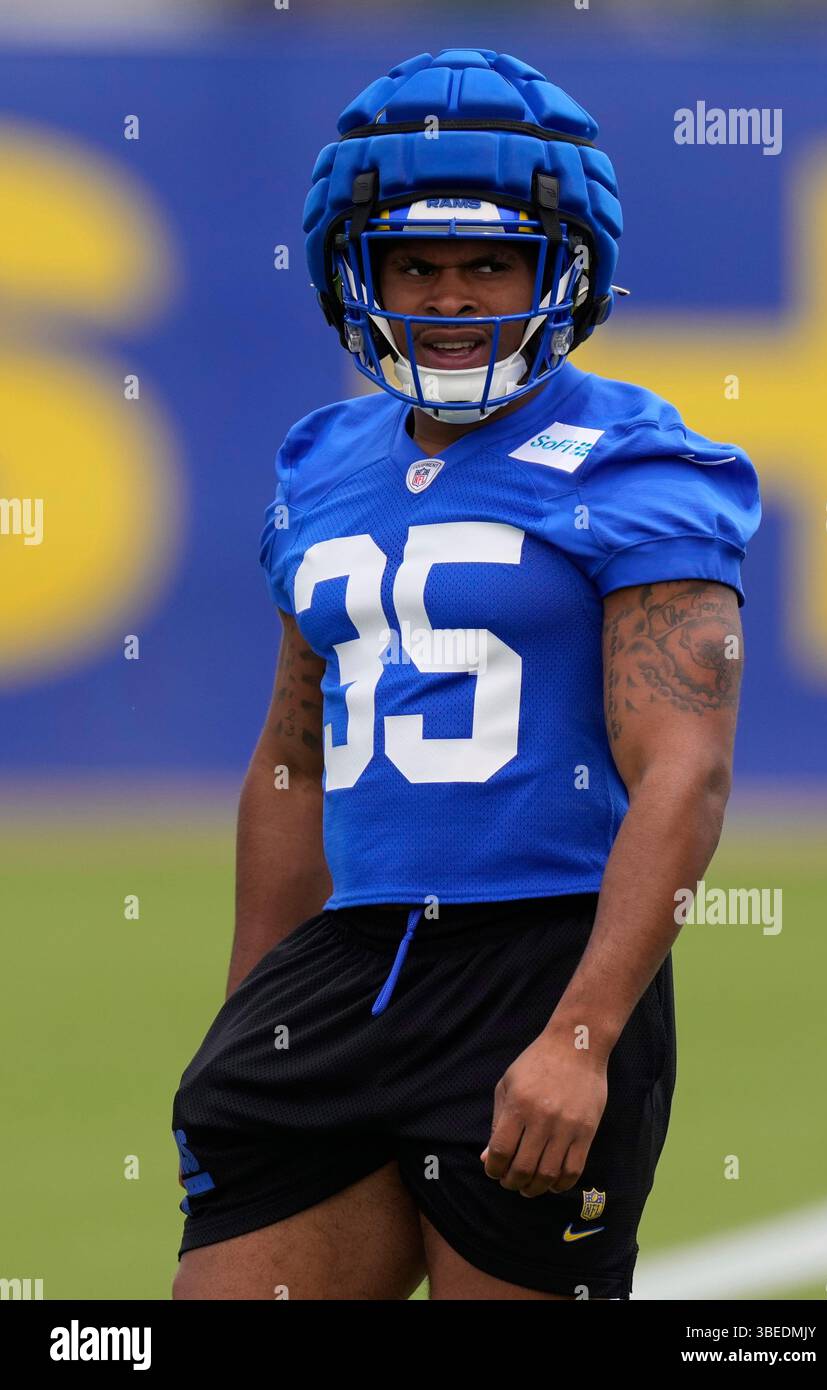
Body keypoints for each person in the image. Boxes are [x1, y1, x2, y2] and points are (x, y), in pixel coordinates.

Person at [171, 47, 761, 1301]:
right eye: (414, 264)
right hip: (344, 969)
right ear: (358, 272)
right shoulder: (320, 462)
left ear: (560, 270)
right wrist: (252, 1000)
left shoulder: (641, 462)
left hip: (537, 964)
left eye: (489, 261)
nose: (449, 296)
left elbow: (686, 770)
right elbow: (294, 757)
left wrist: (581, 1034)